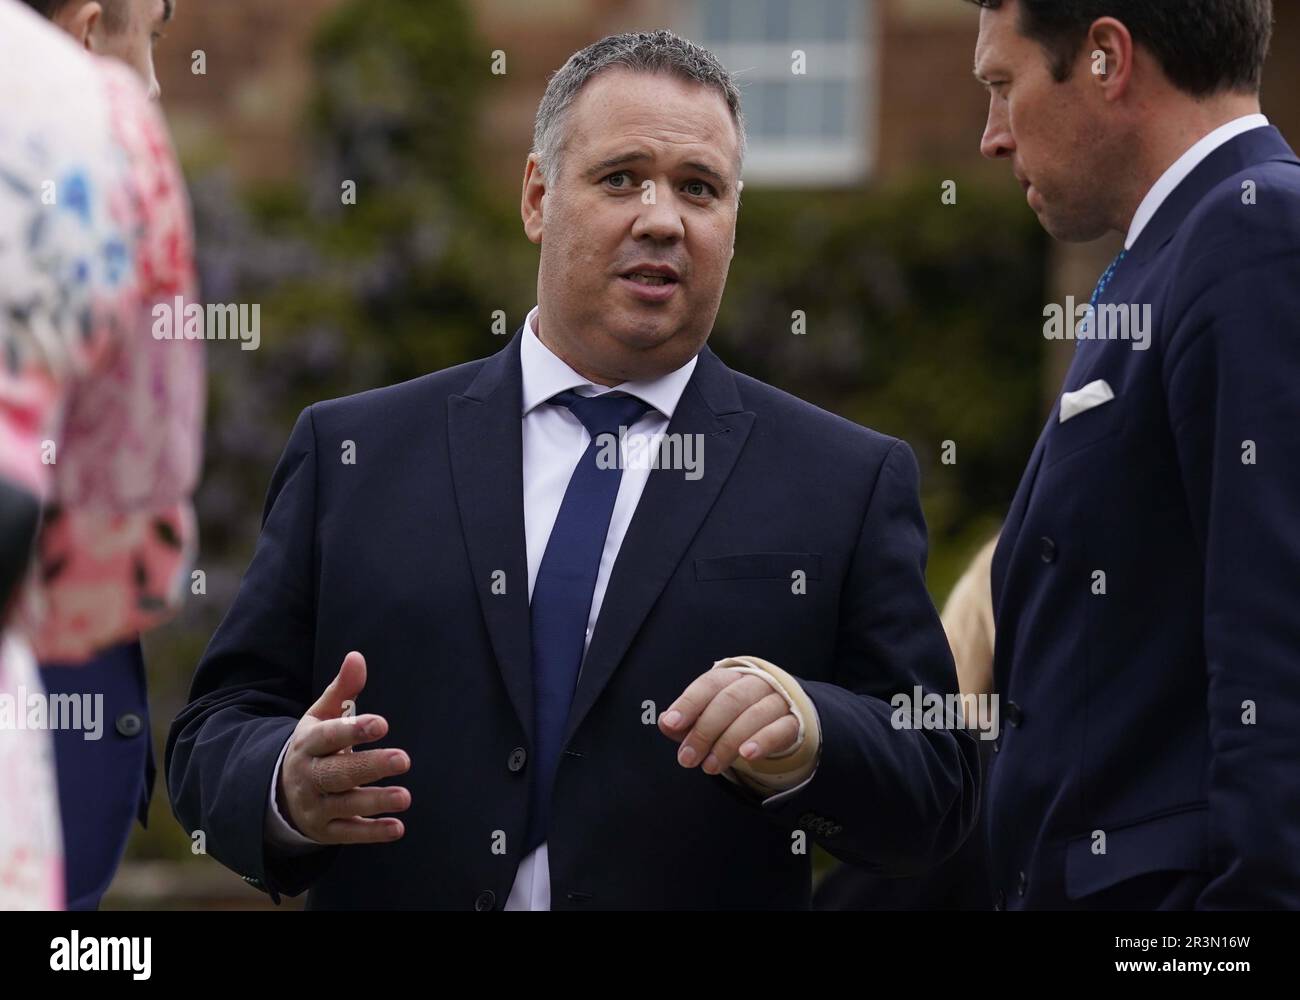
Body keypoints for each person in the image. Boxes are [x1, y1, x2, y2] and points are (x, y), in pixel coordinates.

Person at [166, 29, 980, 910]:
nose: (662, 218)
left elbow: (936, 782)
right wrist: (284, 784)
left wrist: (816, 732)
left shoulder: (842, 481)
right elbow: (213, 730)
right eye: (622, 177)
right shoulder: (354, 454)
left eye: (699, 189)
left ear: (731, 228)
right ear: (538, 197)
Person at [971, 0, 1300, 908]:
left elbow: (1276, 647)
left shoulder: (1255, 232)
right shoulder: (1182, 248)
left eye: (1004, 85)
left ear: (1107, 57)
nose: (993, 137)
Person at [0, 0, 200, 908]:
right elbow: (125, 559)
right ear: (86, 25)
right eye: (151, 37)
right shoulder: (104, 120)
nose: (153, 79)